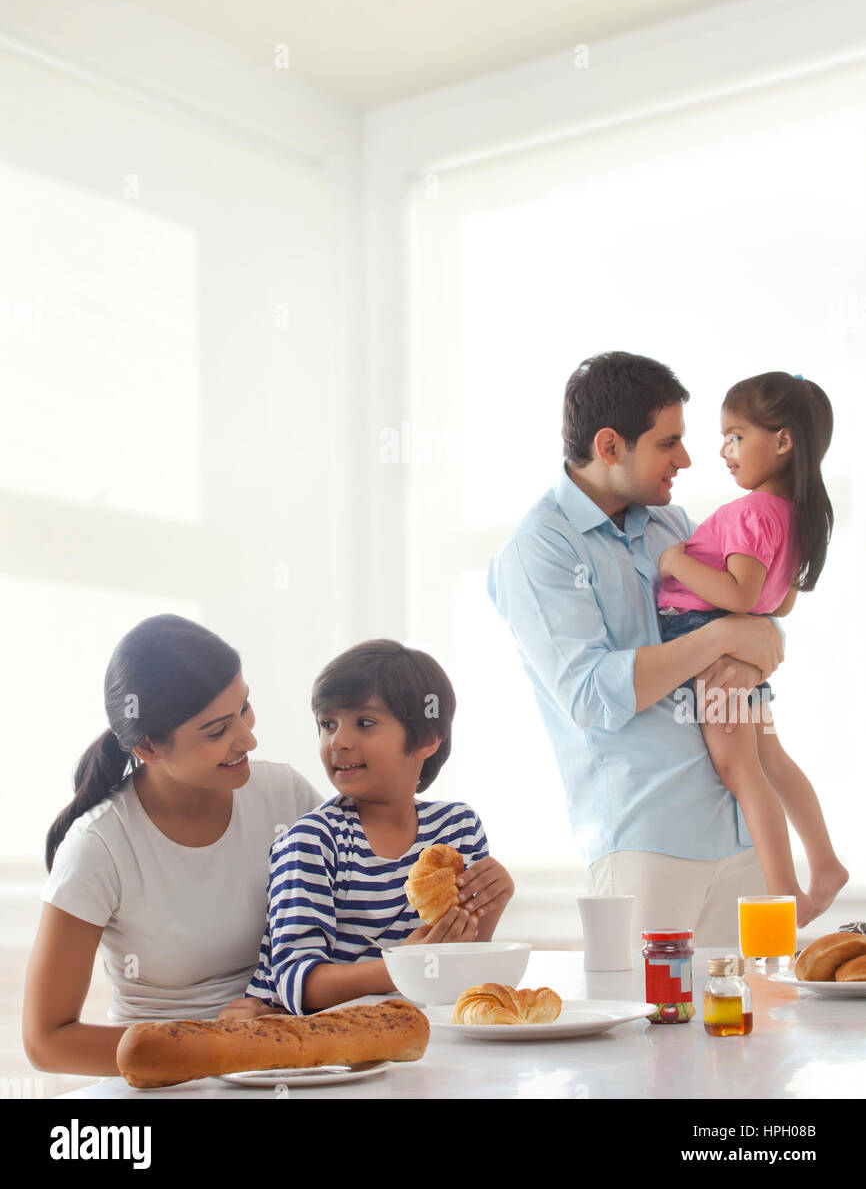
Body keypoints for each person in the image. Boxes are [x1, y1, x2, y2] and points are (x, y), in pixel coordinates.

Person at [488, 352, 787, 948]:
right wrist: (727, 637)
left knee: (763, 1031)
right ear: (609, 446)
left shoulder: (669, 524)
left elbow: (745, 616)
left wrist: (763, 637)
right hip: (648, 843)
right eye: (668, 442)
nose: (687, 459)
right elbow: (592, 693)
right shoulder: (538, 550)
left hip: (741, 833)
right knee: (652, 1034)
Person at [22, 614, 321, 1076]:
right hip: (166, 1081)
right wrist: (219, 1045)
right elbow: (48, 1041)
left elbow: (364, 903)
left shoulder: (284, 795)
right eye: (217, 731)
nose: (248, 737)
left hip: (281, 1065)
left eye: (245, 708)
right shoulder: (99, 846)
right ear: (147, 747)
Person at [226, 639, 515, 1017]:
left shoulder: (457, 828)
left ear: (425, 740)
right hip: (306, 1030)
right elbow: (299, 983)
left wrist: (494, 899)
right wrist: (402, 966)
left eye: (365, 723)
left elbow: (459, 962)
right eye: (327, 724)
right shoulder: (313, 842)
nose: (339, 741)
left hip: (408, 1026)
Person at [656, 371, 847, 926]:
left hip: (712, 653)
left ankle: (787, 890)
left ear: (783, 441)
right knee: (772, 760)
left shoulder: (751, 512)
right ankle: (826, 864)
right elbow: (776, 604)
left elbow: (740, 593)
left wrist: (675, 562)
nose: (723, 451)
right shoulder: (796, 517)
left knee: (740, 769)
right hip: (738, 651)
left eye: (736, 436)